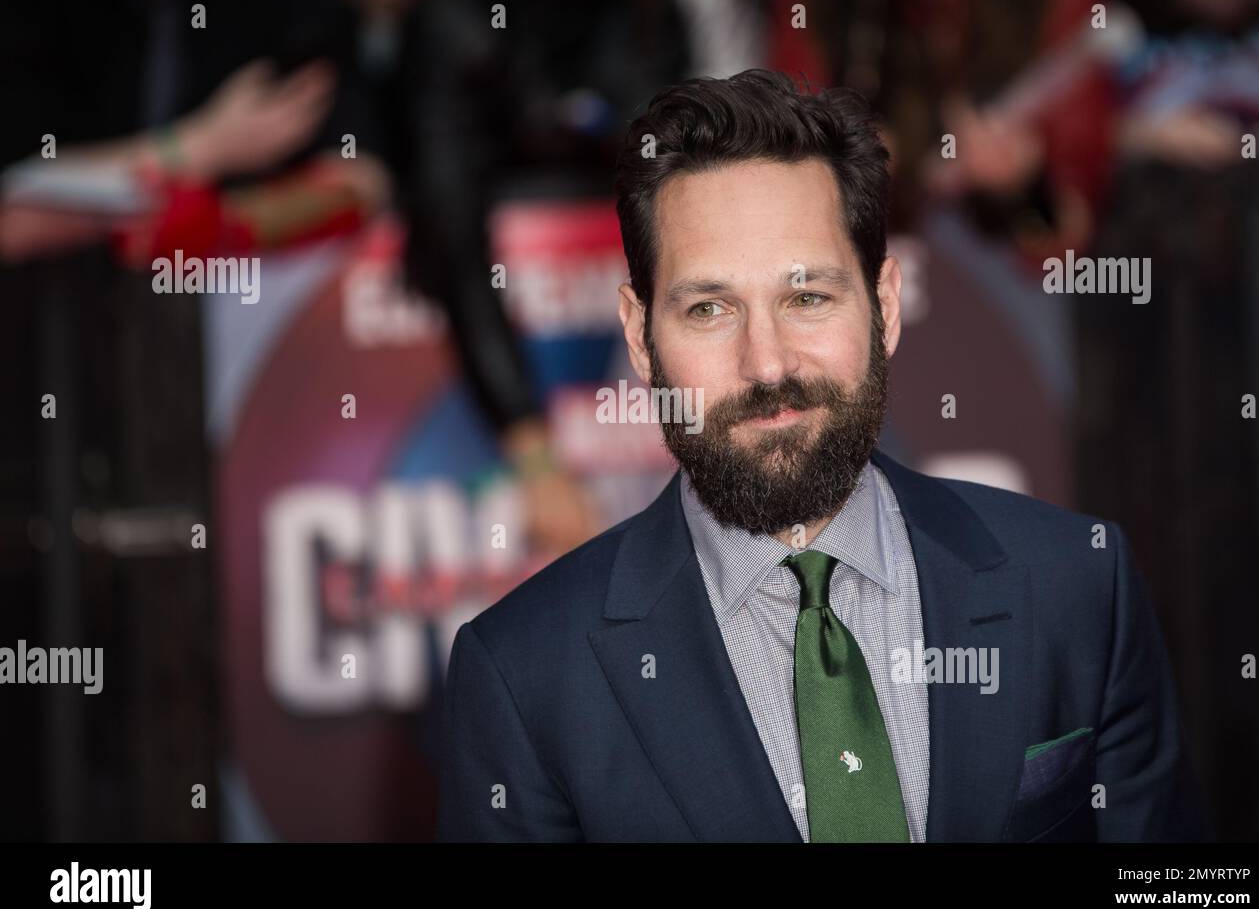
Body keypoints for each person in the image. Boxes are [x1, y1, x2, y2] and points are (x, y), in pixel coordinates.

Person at [435, 69, 1211, 842]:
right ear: (640, 337)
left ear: (885, 306)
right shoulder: (525, 677)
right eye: (709, 309)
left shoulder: (1078, 586)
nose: (768, 365)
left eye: (808, 298)